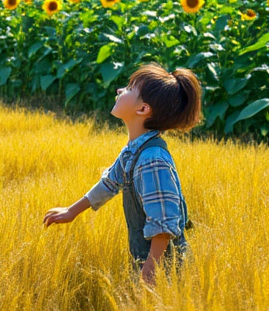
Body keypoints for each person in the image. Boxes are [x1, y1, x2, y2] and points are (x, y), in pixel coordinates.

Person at [43, 63, 201, 284]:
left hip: (165, 267)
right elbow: (109, 183)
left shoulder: (152, 160)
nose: (119, 90)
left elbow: (164, 222)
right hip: (147, 259)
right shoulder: (133, 151)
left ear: (143, 109)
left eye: (129, 88)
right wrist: (72, 211)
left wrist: (151, 267)